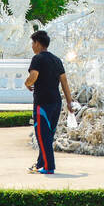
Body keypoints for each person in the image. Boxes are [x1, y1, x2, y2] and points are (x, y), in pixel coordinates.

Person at [24, 30, 74, 176]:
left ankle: (48, 166)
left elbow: (33, 76)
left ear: (38, 43)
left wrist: (27, 83)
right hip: (56, 102)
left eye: (33, 43)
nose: (32, 46)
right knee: (47, 135)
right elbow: (64, 82)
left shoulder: (37, 59)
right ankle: (40, 163)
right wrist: (69, 102)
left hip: (43, 102)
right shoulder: (57, 60)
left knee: (42, 135)